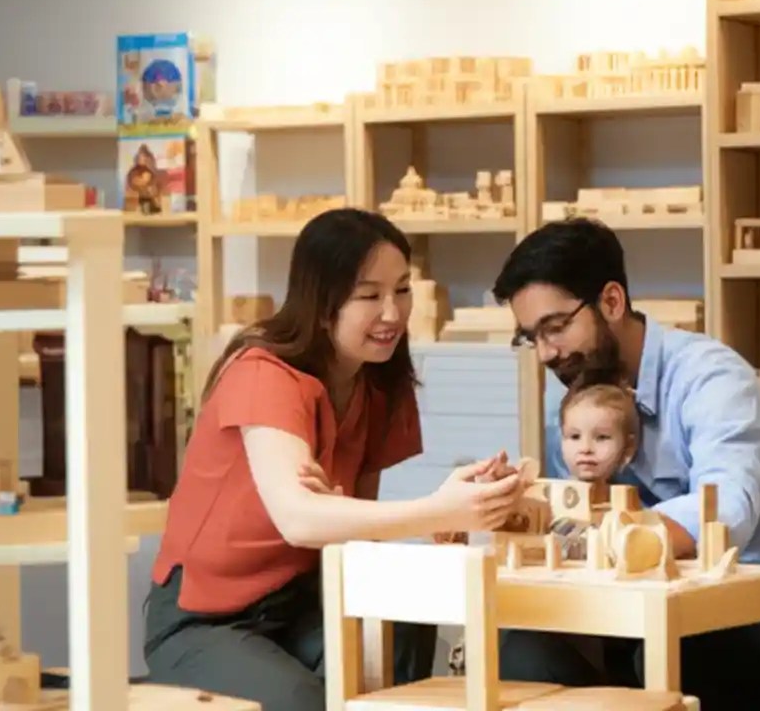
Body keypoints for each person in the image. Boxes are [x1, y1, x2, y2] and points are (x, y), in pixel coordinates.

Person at [142, 209, 524, 711]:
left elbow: (350, 531)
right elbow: (301, 519)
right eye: (369, 296)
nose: (393, 312)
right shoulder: (264, 374)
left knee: (403, 622)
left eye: (402, 289)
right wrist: (441, 509)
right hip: (207, 614)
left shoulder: (380, 382)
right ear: (322, 304)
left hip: (304, 601)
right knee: (303, 703)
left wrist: (447, 520)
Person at [491, 218, 760, 711]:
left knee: (683, 648)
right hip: (639, 619)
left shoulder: (710, 377)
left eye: (556, 327)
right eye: (532, 337)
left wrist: (604, 532)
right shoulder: (580, 400)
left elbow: (726, 511)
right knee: (522, 651)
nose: (547, 353)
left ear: (611, 302)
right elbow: (570, 513)